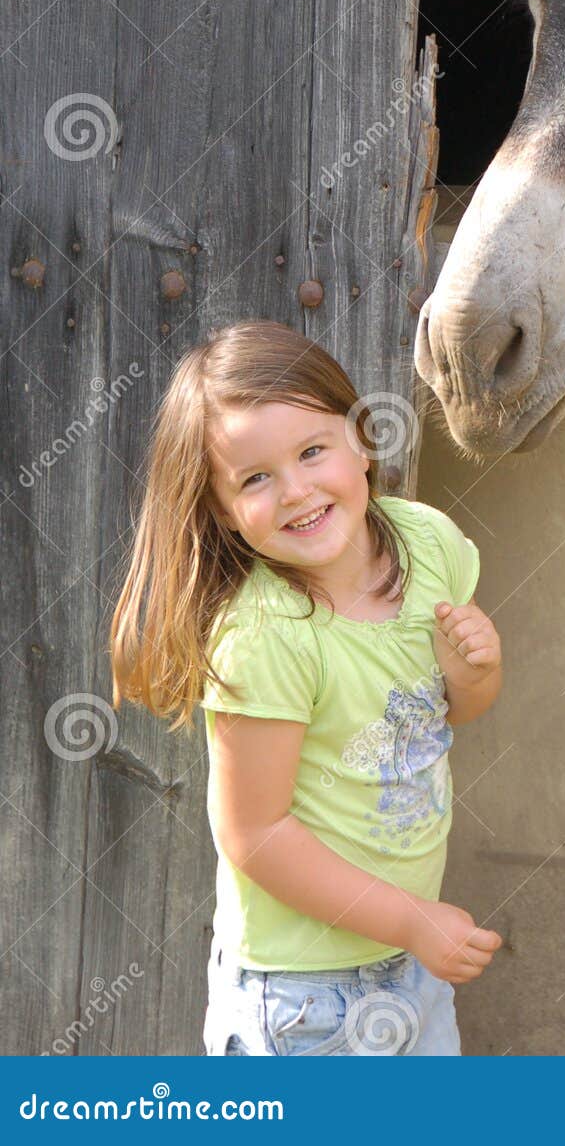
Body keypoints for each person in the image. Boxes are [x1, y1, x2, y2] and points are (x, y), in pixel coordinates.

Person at [110, 318, 503, 1056]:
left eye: (312, 451)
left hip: (409, 963)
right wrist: (412, 920)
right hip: (301, 998)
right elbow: (255, 835)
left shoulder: (428, 544)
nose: (296, 491)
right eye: (255, 479)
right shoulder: (266, 635)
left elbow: (450, 714)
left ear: (362, 440)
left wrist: (475, 672)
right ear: (222, 511)